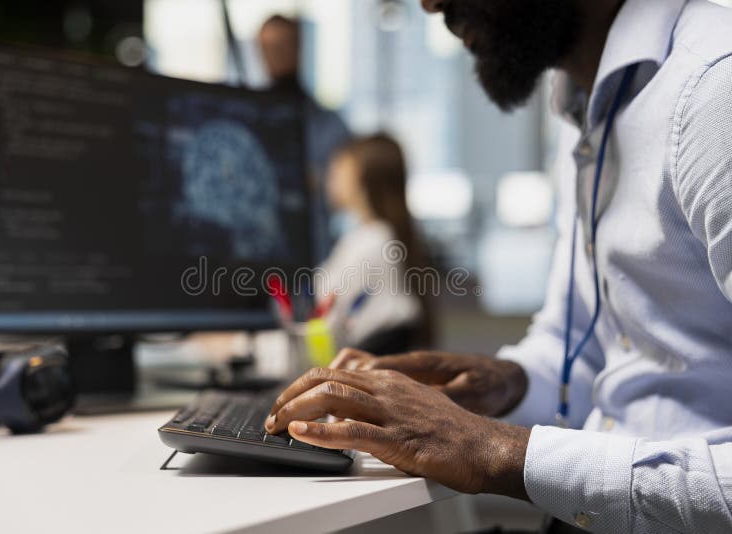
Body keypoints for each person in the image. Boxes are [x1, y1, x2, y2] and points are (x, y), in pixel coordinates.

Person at [264, 1, 732, 532]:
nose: (429, 4)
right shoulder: (585, 108)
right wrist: (505, 383)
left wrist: (493, 450)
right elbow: (582, 346)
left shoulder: (714, 93)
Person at [319, 134, 431, 355]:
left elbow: (323, 326)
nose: (328, 175)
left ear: (359, 175)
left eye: (338, 166)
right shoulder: (384, 238)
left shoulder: (369, 245)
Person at [258, 15, 351, 262]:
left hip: (315, 258)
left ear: (298, 47)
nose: (275, 54)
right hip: (258, 258)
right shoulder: (250, 118)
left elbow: (346, 194)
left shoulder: (329, 125)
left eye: (282, 45)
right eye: (267, 47)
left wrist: (315, 181)